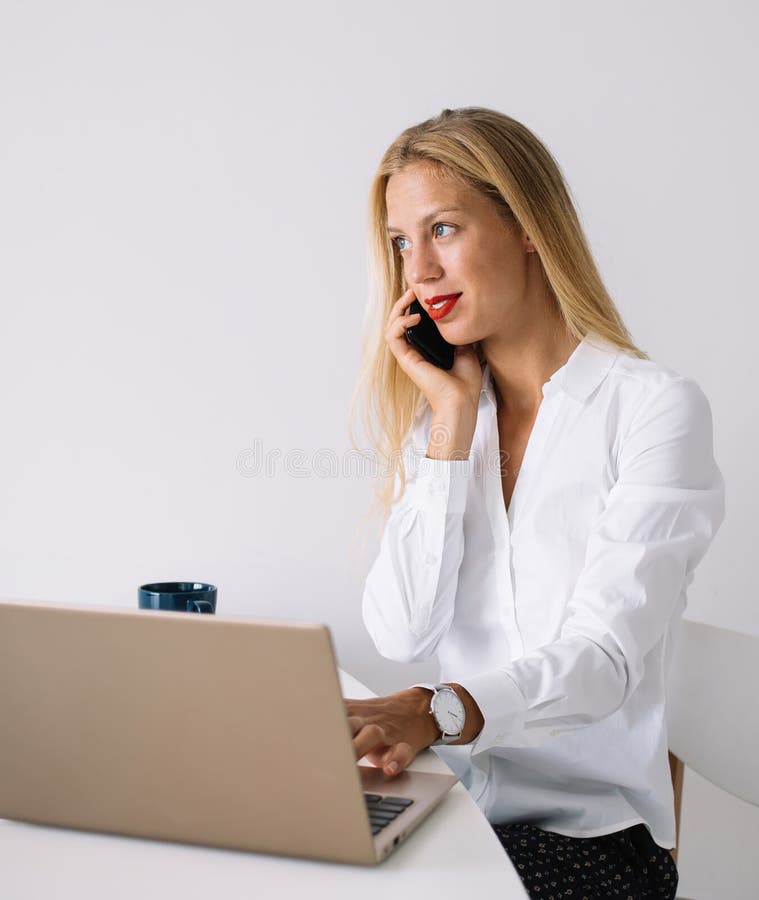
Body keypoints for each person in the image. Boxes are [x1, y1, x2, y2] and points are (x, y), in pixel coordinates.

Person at [346, 107, 725, 899]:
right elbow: (401, 628)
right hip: (455, 809)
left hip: (593, 838)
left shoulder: (652, 409)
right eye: (400, 241)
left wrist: (438, 710)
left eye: (442, 228)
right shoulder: (443, 419)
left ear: (524, 224)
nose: (417, 270)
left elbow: (604, 661)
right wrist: (450, 424)